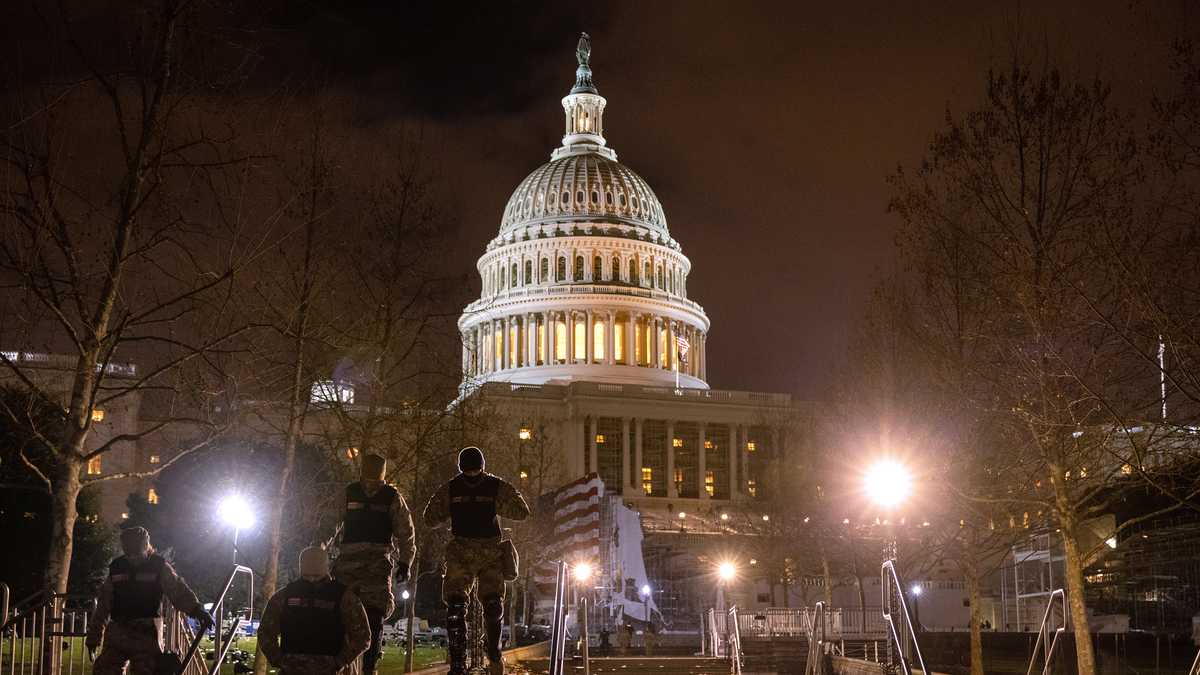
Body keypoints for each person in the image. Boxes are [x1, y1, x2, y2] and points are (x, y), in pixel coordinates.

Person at [423, 446, 530, 675]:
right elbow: (522, 511)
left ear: (460, 466)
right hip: (490, 551)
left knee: (456, 605)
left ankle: (458, 664)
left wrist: (455, 508)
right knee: (493, 605)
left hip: (460, 552)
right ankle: (493, 656)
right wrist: (494, 502)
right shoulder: (494, 486)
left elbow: (430, 518)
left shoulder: (451, 488)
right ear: (483, 464)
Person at [330, 453, 416, 675]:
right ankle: (369, 668)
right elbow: (406, 535)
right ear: (383, 472)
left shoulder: (349, 493)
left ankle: (342, 666)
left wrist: (318, 555)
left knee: (342, 619)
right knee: (374, 620)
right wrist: (405, 563)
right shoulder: (392, 497)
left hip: (349, 566)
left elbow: (329, 527)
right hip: (377, 568)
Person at [86, 527, 214, 675]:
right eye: (129, 552)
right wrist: (93, 638)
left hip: (146, 634)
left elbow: (177, 589)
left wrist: (196, 610)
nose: (133, 557)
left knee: (145, 670)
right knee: (104, 670)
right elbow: (104, 604)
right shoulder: (117, 568)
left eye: (136, 552)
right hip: (119, 632)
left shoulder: (158, 567)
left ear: (146, 546)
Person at [258, 547, 372, 675]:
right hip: (296, 669)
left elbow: (362, 636)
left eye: (316, 575)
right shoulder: (284, 596)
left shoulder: (344, 597)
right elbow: (265, 632)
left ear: (325, 568)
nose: (312, 579)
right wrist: (278, 659)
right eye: (307, 575)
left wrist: (339, 662)